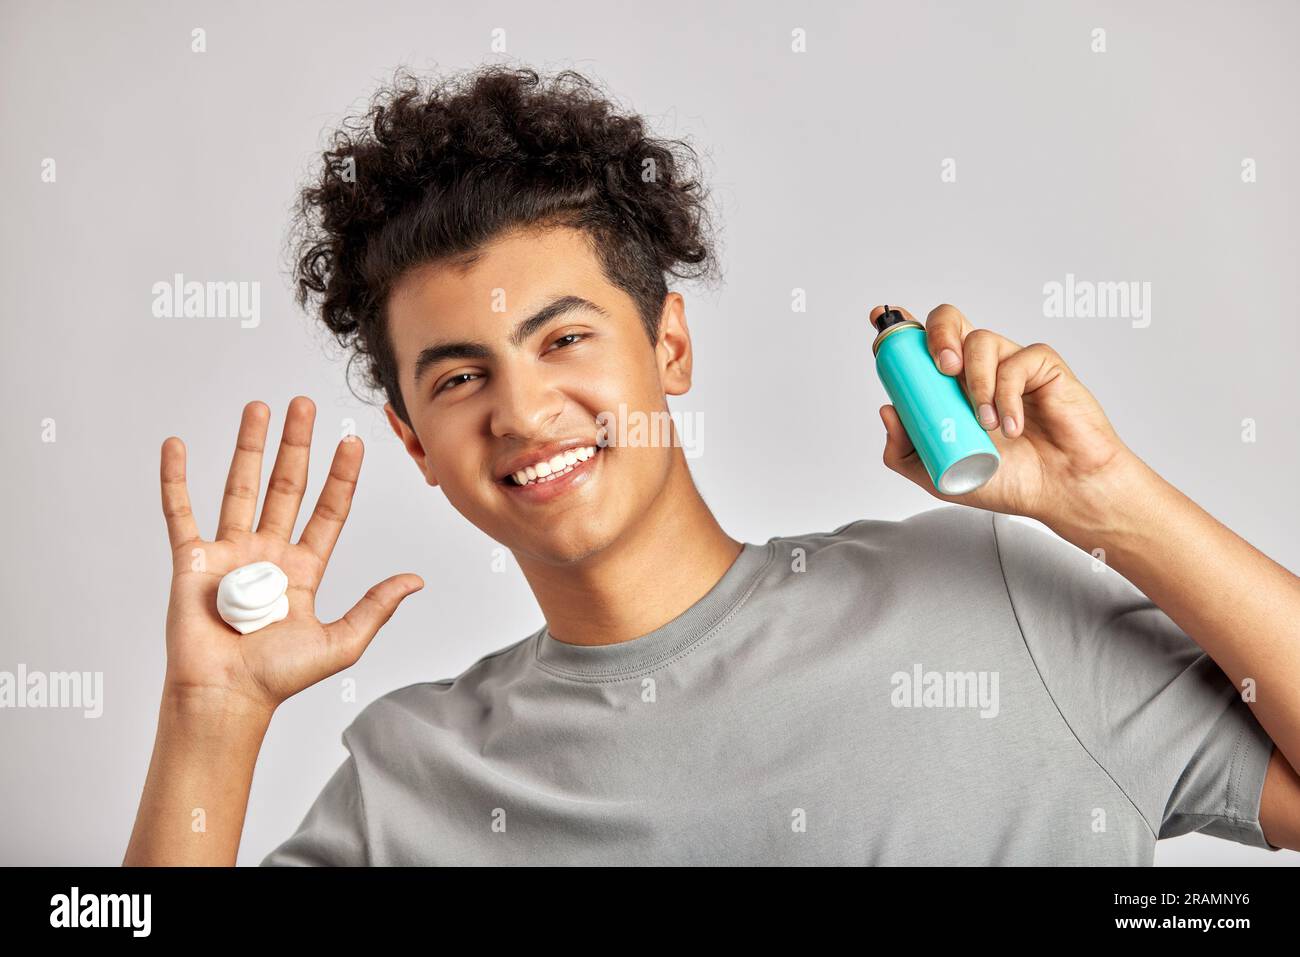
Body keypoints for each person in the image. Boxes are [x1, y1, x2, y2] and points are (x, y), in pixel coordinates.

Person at [124, 64, 1300, 866]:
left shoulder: (987, 603)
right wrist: (210, 716)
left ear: (668, 347)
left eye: (565, 338)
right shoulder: (410, 780)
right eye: (459, 376)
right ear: (416, 447)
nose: (525, 411)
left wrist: (1117, 509)